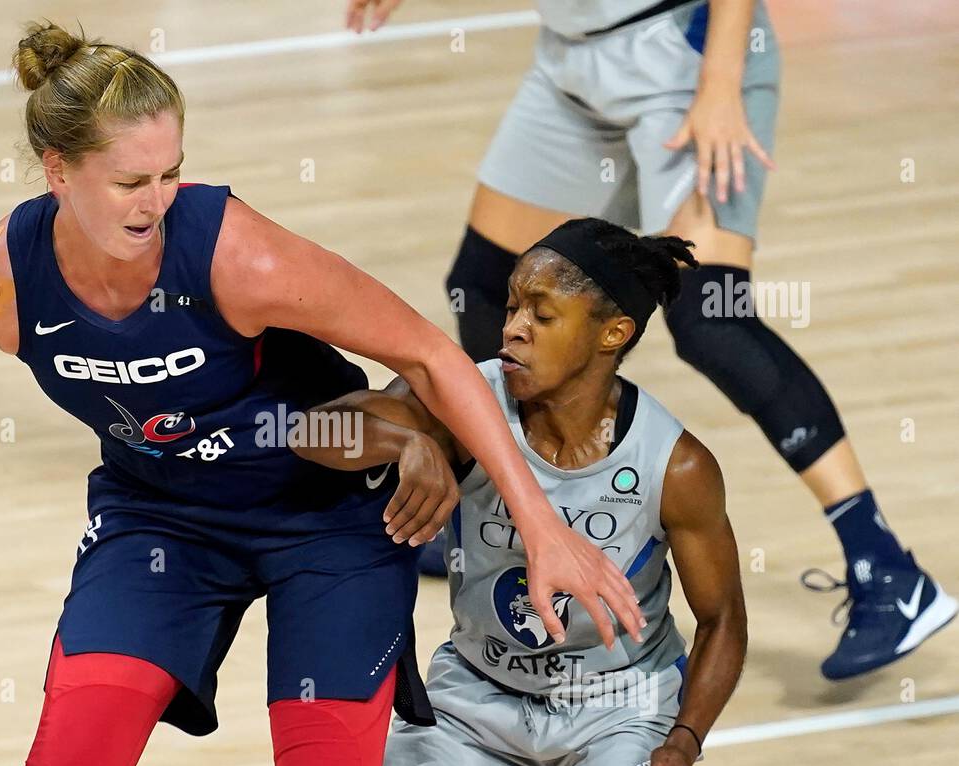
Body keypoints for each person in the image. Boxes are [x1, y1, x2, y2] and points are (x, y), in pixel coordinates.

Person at [0, 23, 645, 766]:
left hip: (323, 519)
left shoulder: (234, 255)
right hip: (160, 521)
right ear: (57, 172)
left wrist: (540, 526)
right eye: (131, 182)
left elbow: (431, 353)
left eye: (171, 173)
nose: (158, 200)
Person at [344, 0, 954, 679]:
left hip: (683, 58)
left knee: (712, 317)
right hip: (573, 61)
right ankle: (519, 515)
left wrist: (720, 83)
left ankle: (887, 567)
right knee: (486, 285)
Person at [295, 218, 747, 766]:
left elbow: (723, 619)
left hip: (618, 708)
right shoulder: (465, 398)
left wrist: (682, 743)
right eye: (511, 305)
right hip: (475, 699)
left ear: (612, 333)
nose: (512, 327)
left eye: (542, 314)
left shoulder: (675, 467)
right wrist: (409, 439)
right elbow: (317, 433)